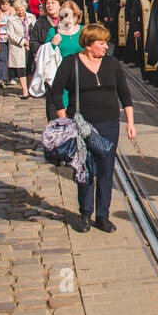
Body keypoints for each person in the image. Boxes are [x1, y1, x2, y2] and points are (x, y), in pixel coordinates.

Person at [48, 24, 135, 234]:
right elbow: (56, 92)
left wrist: (130, 122)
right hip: (82, 126)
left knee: (106, 170)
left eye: (106, 42)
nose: (106, 46)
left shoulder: (112, 63)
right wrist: (64, 120)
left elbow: (124, 94)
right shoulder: (71, 63)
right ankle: (85, 214)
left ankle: (102, 216)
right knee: (85, 170)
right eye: (101, 43)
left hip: (110, 124)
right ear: (88, 45)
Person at [5, 0, 32, 99]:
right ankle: (25, 90)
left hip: (30, 46)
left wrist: (30, 42)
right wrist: (23, 41)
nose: (20, 12)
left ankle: (30, 88)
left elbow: (34, 29)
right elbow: (11, 35)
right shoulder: (11, 19)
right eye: (18, 10)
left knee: (29, 68)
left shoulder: (31, 17)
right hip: (18, 46)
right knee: (21, 69)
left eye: (22, 9)